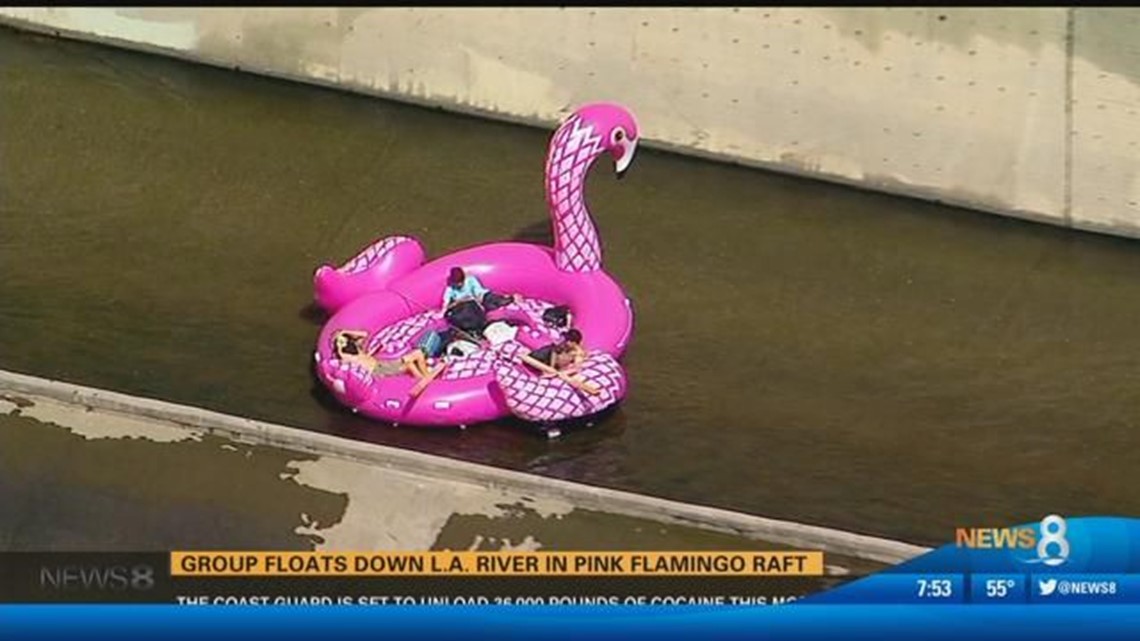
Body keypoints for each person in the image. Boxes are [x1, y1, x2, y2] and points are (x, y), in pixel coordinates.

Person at [332, 330, 444, 396]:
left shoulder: (358, 349)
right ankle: (428, 385)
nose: (343, 342)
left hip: (383, 364)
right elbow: (340, 354)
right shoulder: (346, 356)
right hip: (378, 371)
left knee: (418, 353)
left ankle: (427, 378)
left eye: (344, 340)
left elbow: (364, 334)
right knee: (409, 365)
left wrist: (345, 332)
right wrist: (338, 342)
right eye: (340, 342)